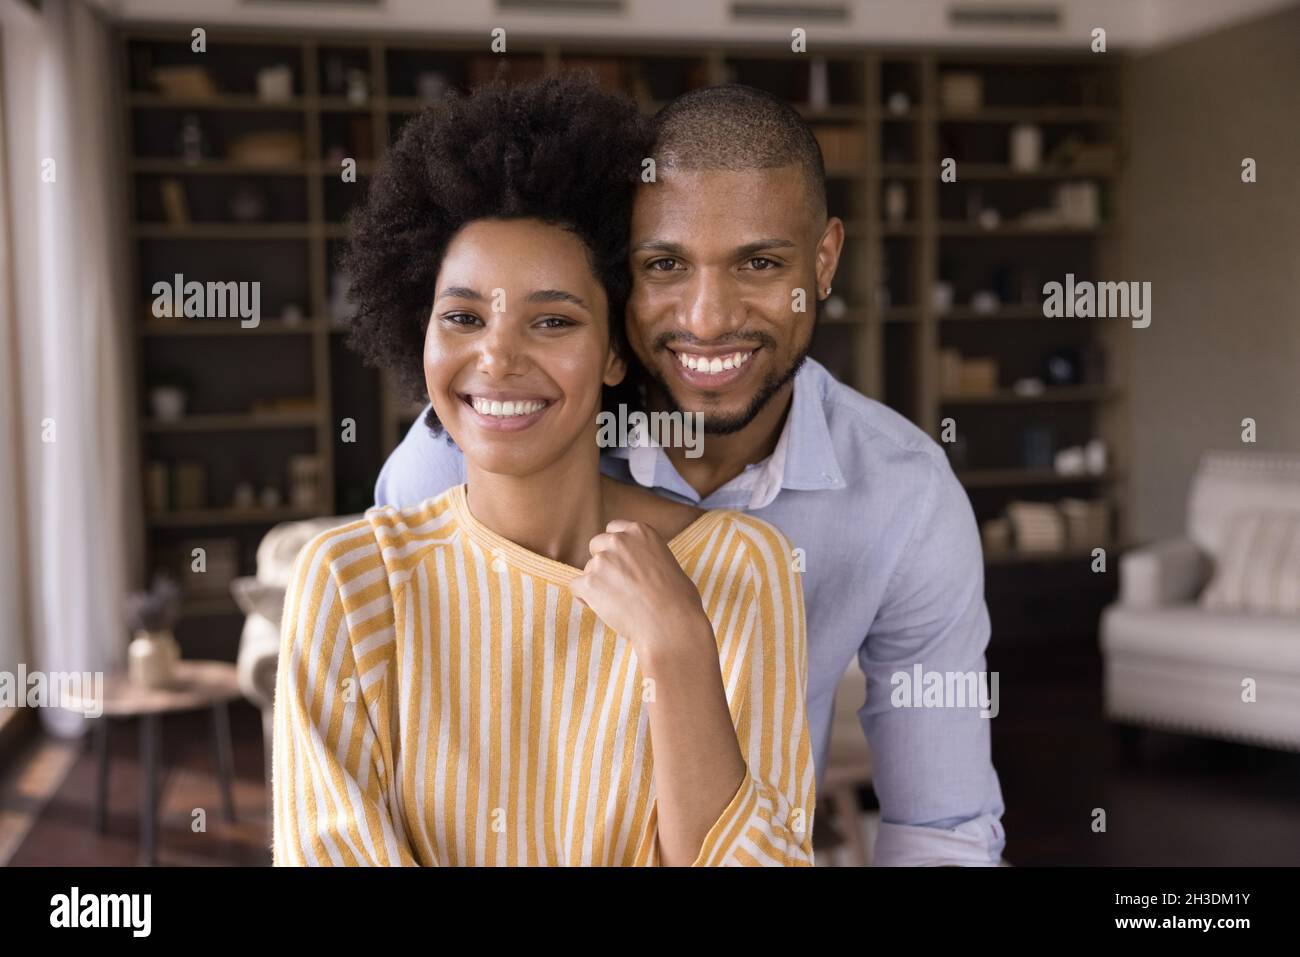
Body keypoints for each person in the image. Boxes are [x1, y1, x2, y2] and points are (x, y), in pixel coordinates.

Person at [375, 83, 1007, 866]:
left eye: (762, 263)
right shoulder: (462, 456)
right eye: (665, 263)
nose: (708, 318)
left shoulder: (905, 496)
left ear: (826, 259)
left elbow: (940, 827)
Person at [272, 74, 815, 866]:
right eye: (462, 316)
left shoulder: (740, 570)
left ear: (617, 350)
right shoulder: (352, 586)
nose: (496, 356)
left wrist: (679, 653)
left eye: (552, 319)